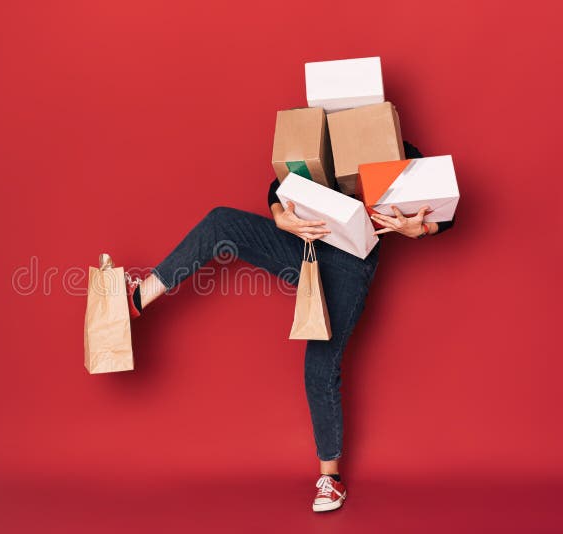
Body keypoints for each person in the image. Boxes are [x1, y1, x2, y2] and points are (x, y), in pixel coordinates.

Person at [121, 141, 454, 512]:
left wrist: (421, 228)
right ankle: (135, 300)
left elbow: (446, 211)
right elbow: (278, 183)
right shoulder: (319, 133)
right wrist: (279, 214)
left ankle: (330, 478)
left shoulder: (391, 141)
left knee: (320, 366)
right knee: (221, 222)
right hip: (304, 244)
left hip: (351, 262)